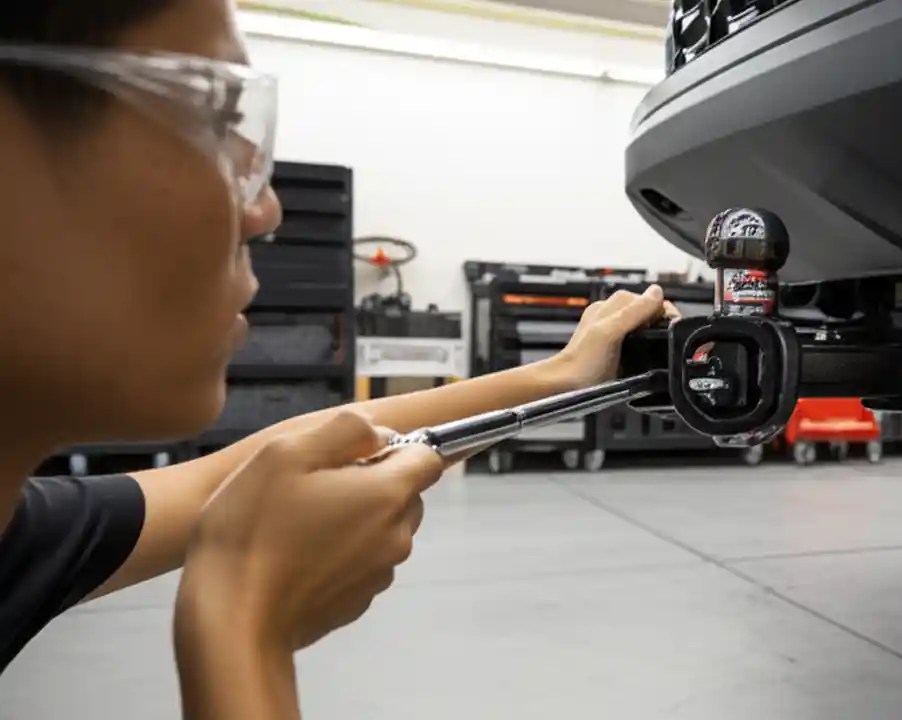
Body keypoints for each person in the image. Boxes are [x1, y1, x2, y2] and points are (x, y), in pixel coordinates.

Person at [0, 1, 671, 716]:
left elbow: (237, 480)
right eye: (204, 118)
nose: (264, 211)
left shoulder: (17, 538)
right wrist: (242, 626)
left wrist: (561, 376)